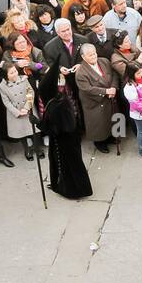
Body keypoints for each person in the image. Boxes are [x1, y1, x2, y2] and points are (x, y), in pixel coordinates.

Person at [36, 61, 92, 199]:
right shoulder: (57, 100)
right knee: (63, 164)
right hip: (65, 140)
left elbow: (53, 128)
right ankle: (57, 183)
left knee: (68, 166)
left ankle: (72, 190)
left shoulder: (57, 105)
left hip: (64, 142)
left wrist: (38, 123)